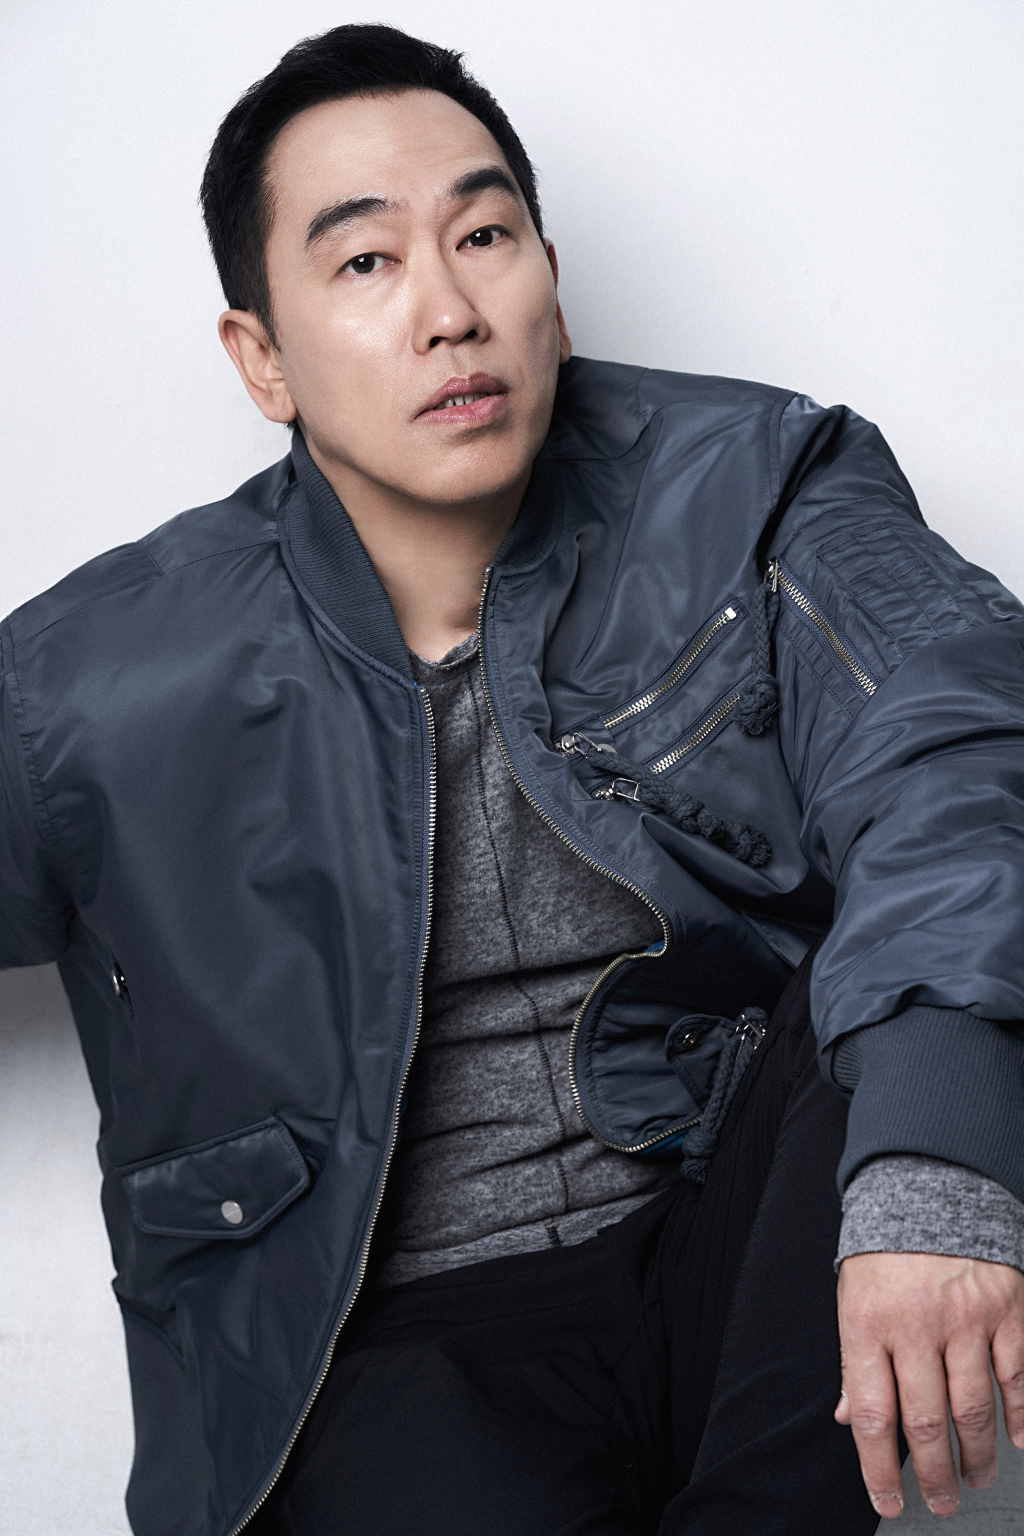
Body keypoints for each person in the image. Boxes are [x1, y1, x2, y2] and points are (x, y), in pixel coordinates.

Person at [2, 21, 1024, 1536]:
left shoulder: (760, 485)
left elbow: (958, 757)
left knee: (936, 979)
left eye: (484, 236)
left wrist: (935, 1162)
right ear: (262, 359)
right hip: (389, 1340)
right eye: (365, 262)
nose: (449, 312)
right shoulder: (97, 676)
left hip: (727, 1236)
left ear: (549, 275)